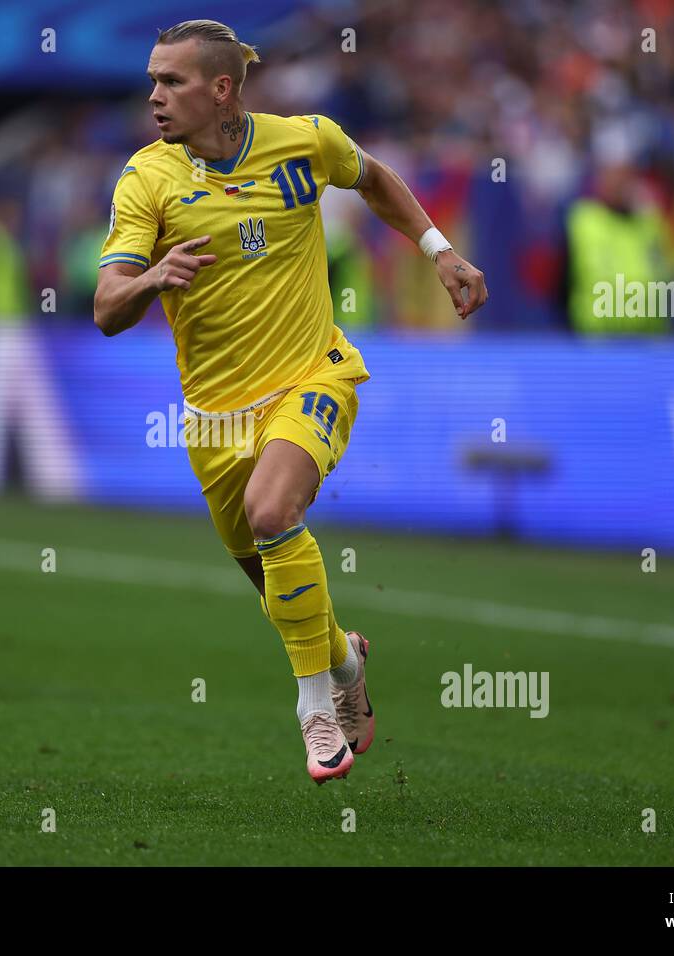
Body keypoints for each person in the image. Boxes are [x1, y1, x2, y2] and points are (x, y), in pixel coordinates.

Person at [94, 20, 488, 784]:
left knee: (275, 514)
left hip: (314, 375)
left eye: (171, 82)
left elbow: (372, 178)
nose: (154, 97)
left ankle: (314, 709)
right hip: (215, 419)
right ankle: (343, 658)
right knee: (277, 588)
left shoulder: (306, 141)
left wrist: (441, 251)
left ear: (221, 90)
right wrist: (150, 277)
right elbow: (107, 308)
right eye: (152, 81)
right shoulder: (147, 179)